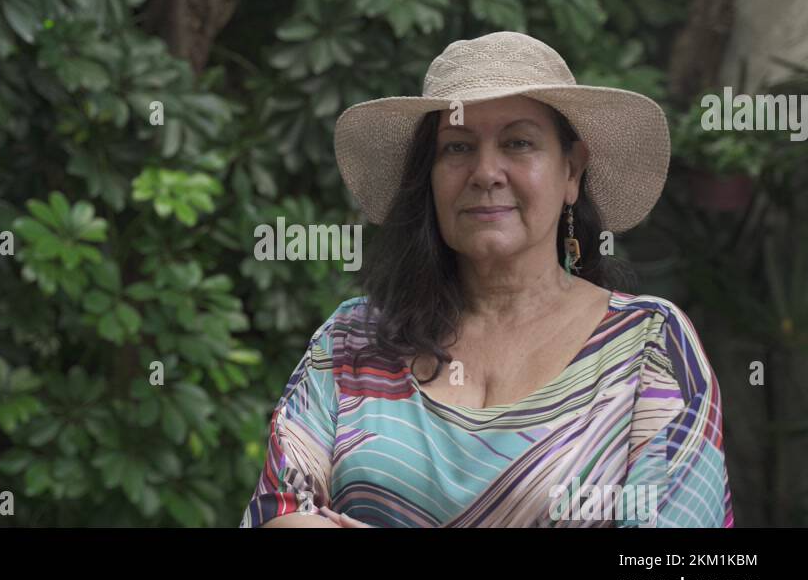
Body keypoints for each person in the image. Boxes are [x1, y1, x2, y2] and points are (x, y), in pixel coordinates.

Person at [239, 31, 734, 528]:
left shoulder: (648, 347)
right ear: (428, 176)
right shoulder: (350, 345)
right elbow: (277, 516)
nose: (486, 172)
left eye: (519, 142)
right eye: (457, 147)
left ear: (572, 172)